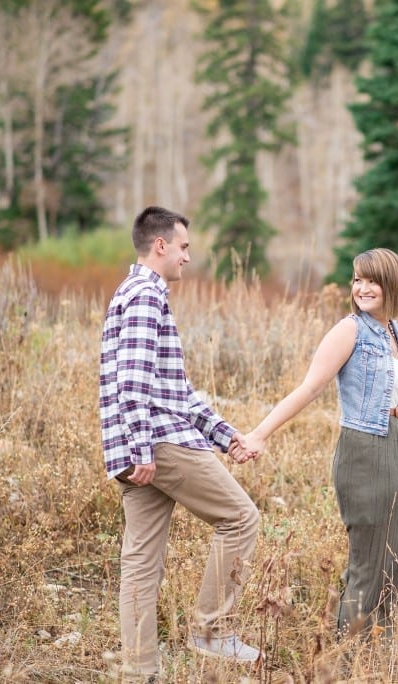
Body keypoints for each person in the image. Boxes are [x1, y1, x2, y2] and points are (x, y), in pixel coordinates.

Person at [233, 248, 398, 648]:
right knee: (369, 560)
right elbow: (310, 387)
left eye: (371, 280)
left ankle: (396, 648)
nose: (361, 288)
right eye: (357, 279)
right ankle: (348, 653)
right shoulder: (350, 330)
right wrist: (259, 433)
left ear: (391, 284)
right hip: (363, 449)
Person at [99, 206, 261, 679]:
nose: (188, 257)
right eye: (184, 247)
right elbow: (133, 382)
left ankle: (138, 670)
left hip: (137, 448)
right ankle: (212, 631)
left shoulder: (132, 293)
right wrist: (143, 448)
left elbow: (175, 390)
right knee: (240, 518)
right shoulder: (147, 294)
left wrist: (226, 437)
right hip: (159, 443)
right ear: (161, 245)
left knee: (141, 563)